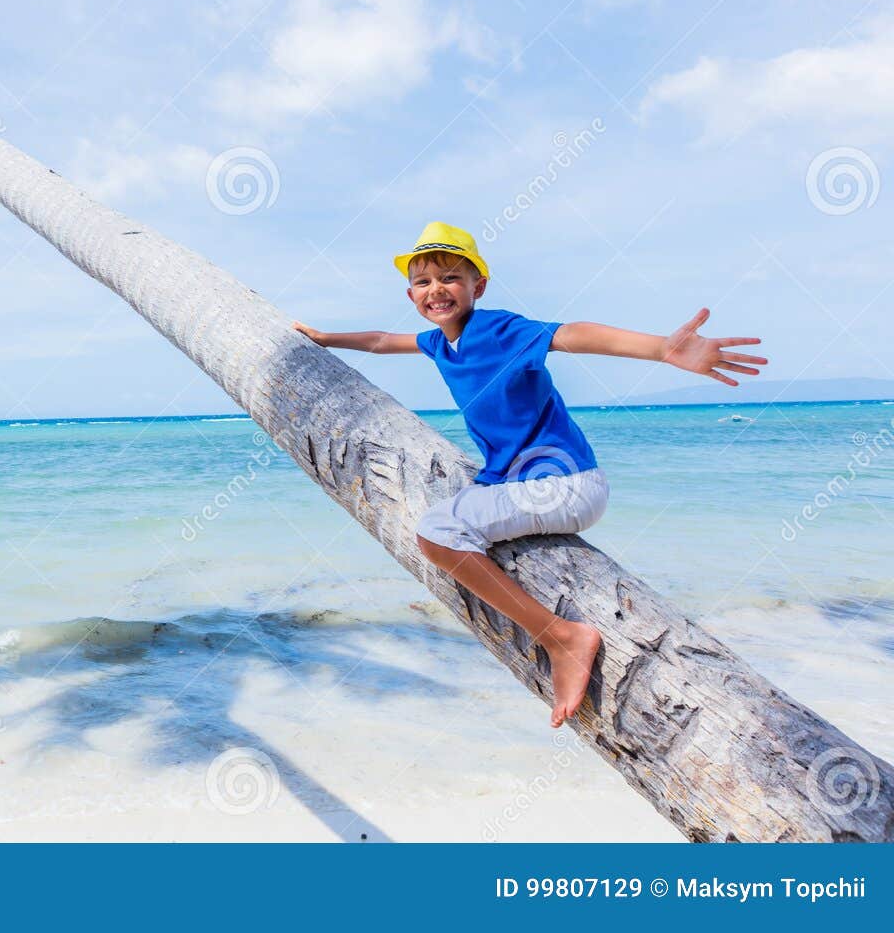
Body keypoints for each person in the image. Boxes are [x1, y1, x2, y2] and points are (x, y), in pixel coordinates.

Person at [291, 221, 766, 727]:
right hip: (529, 485)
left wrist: (659, 349)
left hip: (565, 485)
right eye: (424, 282)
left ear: (479, 286)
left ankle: (562, 637)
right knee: (454, 515)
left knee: (436, 533)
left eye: (451, 277)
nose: (437, 290)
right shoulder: (440, 344)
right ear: (411, 293)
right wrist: (325, 338)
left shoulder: (499, 330)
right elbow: (385, 341)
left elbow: (573, 334)